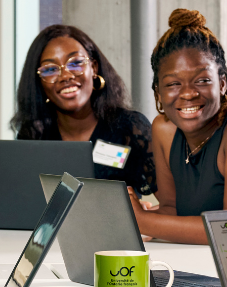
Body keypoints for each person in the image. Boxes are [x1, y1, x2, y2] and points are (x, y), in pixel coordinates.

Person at [127, 9, 227, 245]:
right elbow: (172, 211)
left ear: (222, 84)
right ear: (158, 92)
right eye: (173, 84)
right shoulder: (164, 129)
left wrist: (143, 221)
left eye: (202, 80)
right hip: (200, 265)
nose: (189, 93)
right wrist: (128, 214)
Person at [11, 24, 156, 196]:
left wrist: (142, 211)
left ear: (93, 68)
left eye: (76, 63)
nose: (66, 76)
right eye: (50, 69)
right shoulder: (34, 135)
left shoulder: (130, 127)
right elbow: (23, 200)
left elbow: (170, 205)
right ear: (39, 83)